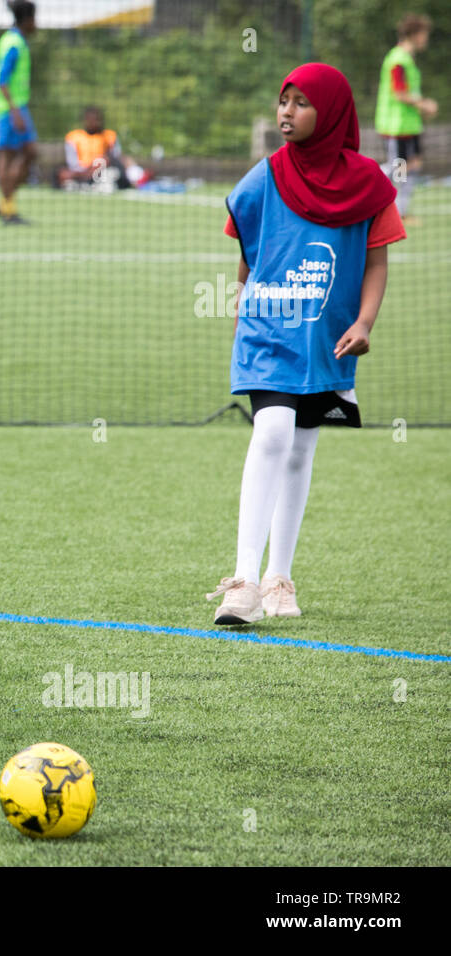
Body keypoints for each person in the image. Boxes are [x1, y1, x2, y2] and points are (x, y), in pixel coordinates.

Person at [207, 64, 404, 626]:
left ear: (333, 112)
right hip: (268, 334)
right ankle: (243, 581)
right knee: (272, 431)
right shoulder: (263, 178)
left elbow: (377, 259)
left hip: (327, 343)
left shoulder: (369, 183)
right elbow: (246, 250)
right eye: (282, 101)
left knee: (300, 450)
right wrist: (245, 307)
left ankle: (279, 580)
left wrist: (365, 322)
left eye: (300, 103)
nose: (286, 112)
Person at [375, 13, 437, 220]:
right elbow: (399, 93)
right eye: (424, 34)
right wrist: (424, 104)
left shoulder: (408, 60)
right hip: (396, 125)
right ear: (415, 34)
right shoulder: (398, 60)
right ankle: (368, 177)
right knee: (399, 169)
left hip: (410, 124)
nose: (426, 39)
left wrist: (421, 109)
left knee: (414, 165)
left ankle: (401, 212)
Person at [0, 1, 37, 224]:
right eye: (35, 19)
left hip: (15, 107)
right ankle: (9, 210)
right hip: (8, 109)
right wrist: (15, 112)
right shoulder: (14, 43)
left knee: (31, 152)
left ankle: (4, 202)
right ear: (27, 20)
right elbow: (2, 81)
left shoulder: (15, 40)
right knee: (6, 157)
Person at [59, 107, 147, 190]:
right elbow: (72, 163)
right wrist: (85, 171)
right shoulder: (73, 137)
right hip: (80, 171)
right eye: (91, 120)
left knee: (102, 161)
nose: (94, 123)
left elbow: (116, 157)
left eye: (96, 120)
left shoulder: (109, 135)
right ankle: (83, 181)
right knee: (63, 174)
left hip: (102, 169)